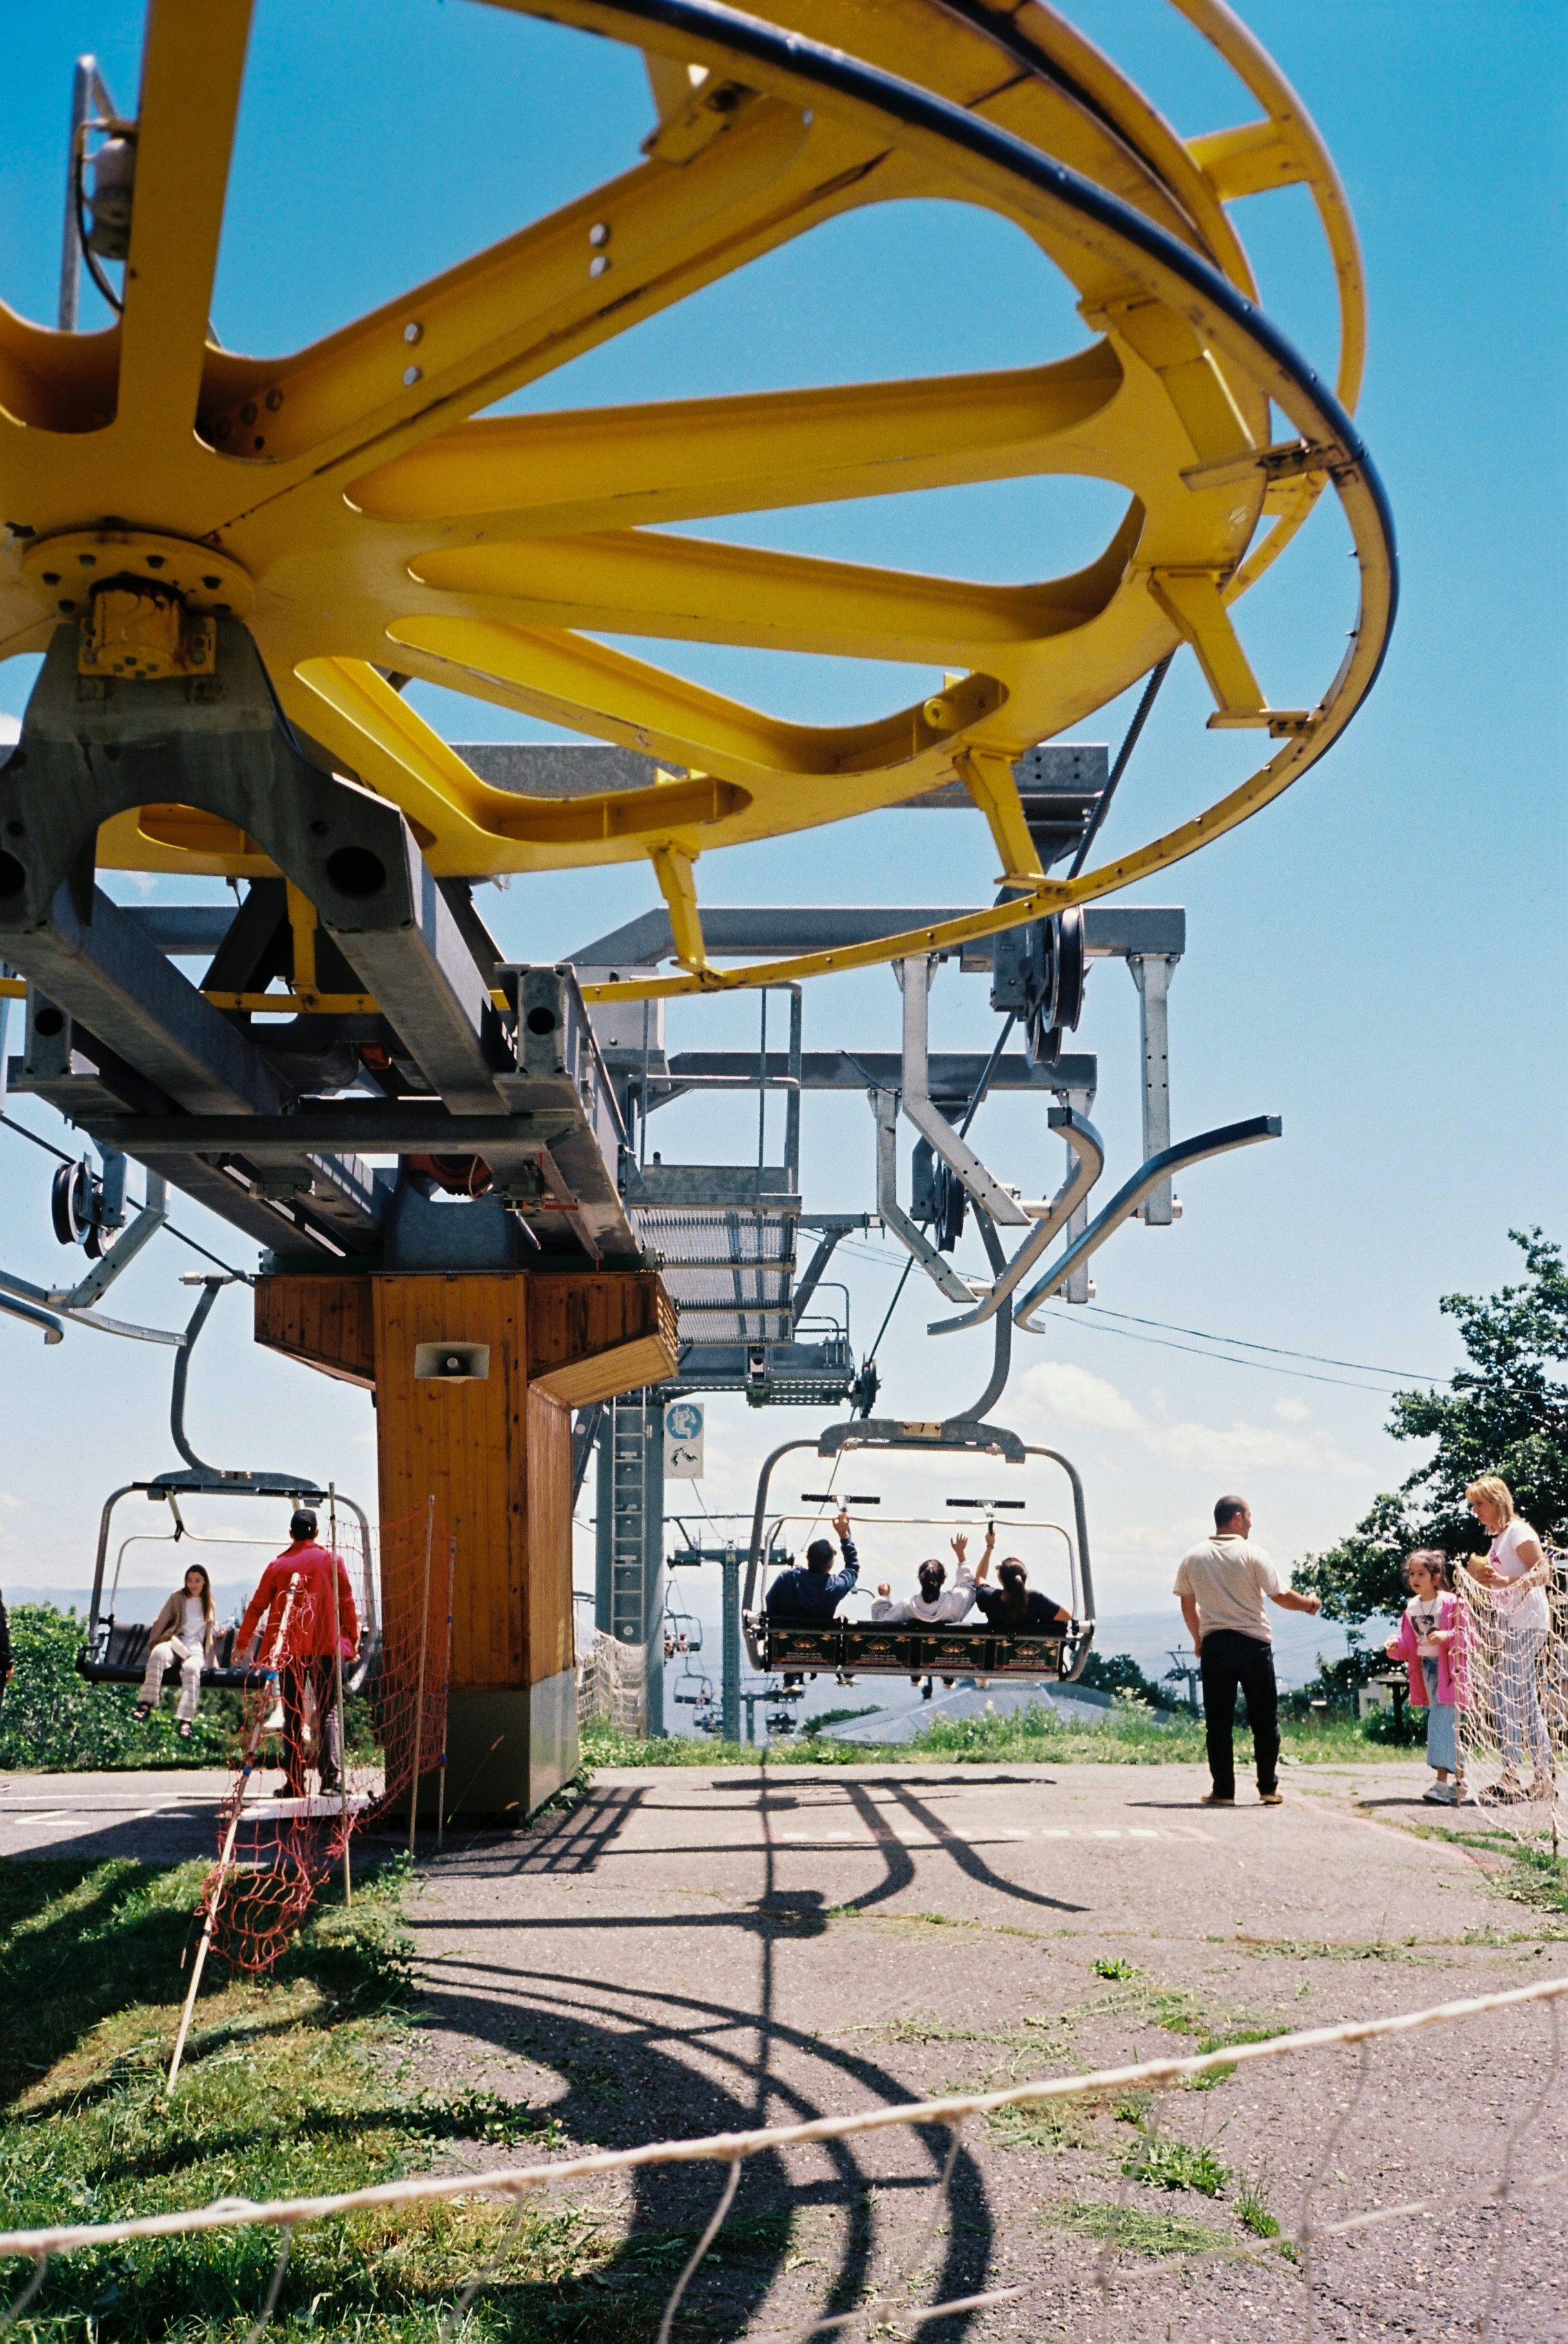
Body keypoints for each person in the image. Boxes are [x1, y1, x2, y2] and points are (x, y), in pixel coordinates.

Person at [1174, 1494, 1321, 1808]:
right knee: (1264, 1719)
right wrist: (1309, 1604)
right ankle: (1268, 1787)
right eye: (1250, 1516)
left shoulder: (1193, 1556)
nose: (1252, 1523)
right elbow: (1280, 1595)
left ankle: (1224, 1791)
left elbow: (1188, 1603)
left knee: (1218, 1721)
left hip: (1215, 1644)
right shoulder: (1253, 1554)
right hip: (1254, 1643)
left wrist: (1199, 1638)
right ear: (1238, 1517)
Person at [236, 1509, 360, 1797]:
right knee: (329, 1712)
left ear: (291, 1533)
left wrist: (242, 1642)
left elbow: (256, 1607)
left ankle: (295, 1784)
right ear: (317, 1532)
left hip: (290, 1651)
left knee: (293, 1715)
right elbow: (347, 1603)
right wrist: (351, 1641)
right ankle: (331, 1782)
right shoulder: (332, 1561)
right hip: (326, 1648)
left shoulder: (278, 1565)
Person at [1464, 1476, 1553, 1803]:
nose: (1475, 1511)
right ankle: (1542, 1777)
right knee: (1525, 1700)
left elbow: (1543, 1572)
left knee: (1504, 1693)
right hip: (1514, 1622)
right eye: (1472, 1505)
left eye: (1479, 1504)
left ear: (1497, 1501)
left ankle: (1512, 1775)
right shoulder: (1498, 1540)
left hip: (1528, 1621)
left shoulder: (1519, 1532)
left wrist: (1505, 1580)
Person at [1384, 1549, 1460, 1804]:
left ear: (1435, 1577)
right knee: (1447, 1720)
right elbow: (1408, 1643)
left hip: (1451, 1669)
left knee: (1440, 1717)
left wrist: (1447, 1637)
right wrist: (1395, 1645)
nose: (1415, 1579)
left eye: (1421, 1573)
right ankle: (1461, 1780)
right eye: (1412, 1574)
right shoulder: (1411, 1608)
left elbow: (1469, 1635)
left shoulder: (1450, 1603)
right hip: (1427, 1668)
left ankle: (1442, 1783)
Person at [133, 1563, 217, 1739]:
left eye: (197, 1581)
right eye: (189, 1580)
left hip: (195, 1649)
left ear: (204, 1583)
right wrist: (156, 1640)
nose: (193, 1585)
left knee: (192, 1670)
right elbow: (162, 1619)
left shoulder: (208, 1603)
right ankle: (146, 1703)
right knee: (158, 1654)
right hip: (176, 1642)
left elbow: (209, 1631)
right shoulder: (177, 1598)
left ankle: (186, 1720)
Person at [871, 1526, 993, 1624]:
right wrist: (961, 1554)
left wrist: (883, 1597)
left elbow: (882, 1620)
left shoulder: (907, 1607)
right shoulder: (955, 1605)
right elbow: (969, 1584)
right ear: (943, 1580)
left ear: (920, 1579)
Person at [766, 1511, 859, 1622]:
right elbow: (853, 1568)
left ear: (807, 1558)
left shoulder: (787, 1578)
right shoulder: (836, 1587)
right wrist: (844, 1535)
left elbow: (768, 1608)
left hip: (782, 1638)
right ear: (830, 1566)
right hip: (820, 1639)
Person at [973, 1555, 1070, 1634]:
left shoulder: (988, 1597)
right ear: (1024, 1578)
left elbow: (980, 1577)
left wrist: (989, 1547)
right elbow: (1067, 1616)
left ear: (1000, 1579)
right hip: (1033, 1656)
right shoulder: (1035, 1599)